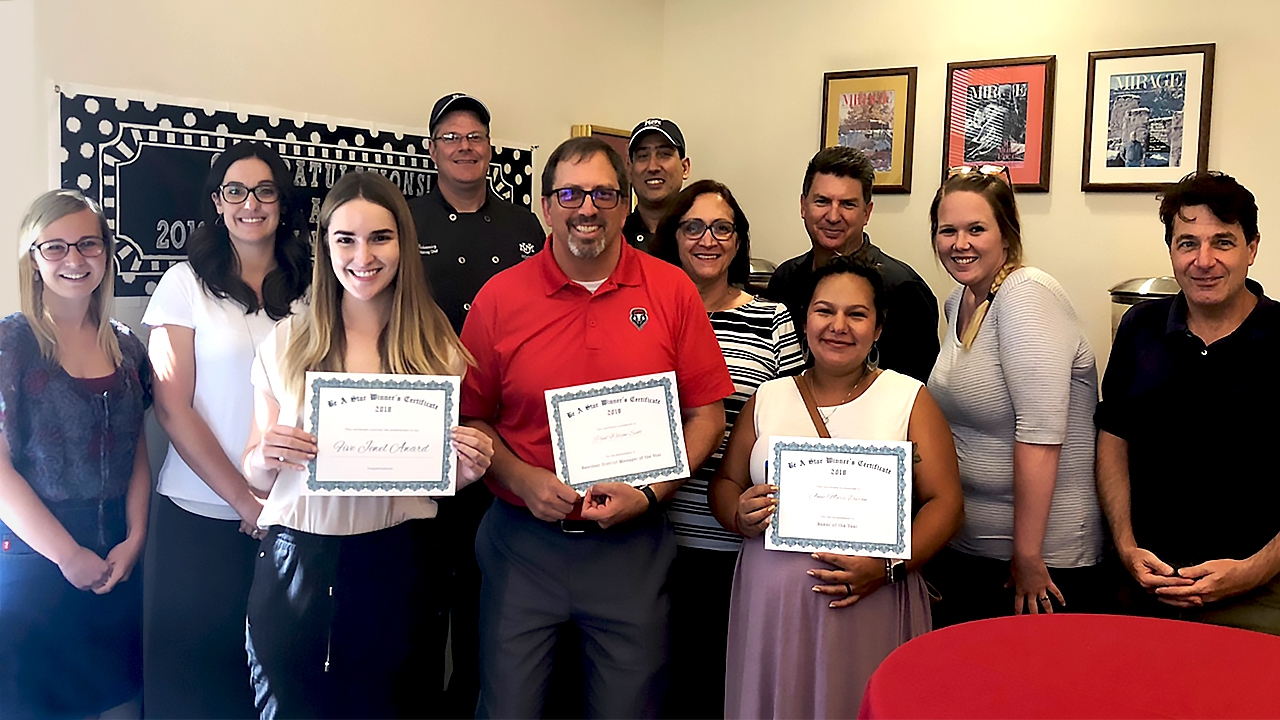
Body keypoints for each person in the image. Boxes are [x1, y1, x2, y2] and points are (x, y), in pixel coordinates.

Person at [461, 136, 733, 719]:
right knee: (509, 709)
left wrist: (651, 492)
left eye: (604, 194)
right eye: (570, 194)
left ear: (625, 204)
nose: (587, 208)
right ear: (545, 206)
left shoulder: (672, 291)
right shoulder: (499, 299)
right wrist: (522, 478)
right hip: (523, 544)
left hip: (632, 547)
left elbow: (707, 415)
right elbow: (471, 416)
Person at [240, 170, 494, 717]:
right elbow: (256, 476)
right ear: (325, 247)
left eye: (380, 237)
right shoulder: (287, 341)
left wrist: (464, 472)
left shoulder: (435, 346)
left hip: (399, 562)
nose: (363, 256)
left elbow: (433, 481)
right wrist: (265, 456)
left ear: (404, 243)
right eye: (346, 239)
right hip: (297, 558)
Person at [710, 257, 963, 717]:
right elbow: (727, 482)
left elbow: (945, 503)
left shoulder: (908, 398)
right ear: (804, 319)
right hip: (774, 610)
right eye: (824, 311)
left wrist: (886, 567)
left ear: (879, 328)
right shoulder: (768, 397)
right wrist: (737, 513)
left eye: (857, 314)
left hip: (871, 599)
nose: (838, 326)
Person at [142, 140, 310, 718]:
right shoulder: (183, 284)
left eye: (265, 191)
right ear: (217, 202)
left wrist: (268, 505)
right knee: (196, 685)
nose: (250, 204)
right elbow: (172, 407)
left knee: (274, 683)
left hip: (291, 516)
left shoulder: (314, 289)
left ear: (283, 203)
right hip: (200, 515)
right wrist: (244, 500)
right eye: (235, 191)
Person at [408, 92, 545, 717]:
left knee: (486, 587)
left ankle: (472, 700)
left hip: (501, 431)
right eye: (451, 136)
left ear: (490, 148)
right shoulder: (407, 221)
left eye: (475, 136)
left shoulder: (523, 225)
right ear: (433, 149)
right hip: (422, 428)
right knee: (421, 583)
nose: (465, 147)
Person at [923, 167, 1108, 626]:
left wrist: (1027, 555)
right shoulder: (959, 301)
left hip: (1042, 561)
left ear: (1006, 235)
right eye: (948, 230)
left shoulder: (1026, 295)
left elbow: (1040, 435)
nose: (960, 243)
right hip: (973, 547)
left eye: (976, 229)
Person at [1097, 171, 1280, 635]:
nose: (1204, 261)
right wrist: (1125, 546)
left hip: (1258, 599)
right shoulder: (1139, 328)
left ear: (1252, 248)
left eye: (1223, 242)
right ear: (1171, 251)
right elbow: (1114, 440)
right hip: (1144, 587)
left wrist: (1255, 569)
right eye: (1187, 243)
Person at [653, 179, 803, 718]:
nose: (708, 239)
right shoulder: (642, 314)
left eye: (722, 228)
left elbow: (795, 428)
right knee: (652, 687)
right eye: (693, 227)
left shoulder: (773, 319)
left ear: (739, 241)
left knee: (719, 686)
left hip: (733, 540)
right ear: (673, 236)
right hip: (646, 532)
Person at [0, 190, 152, 718]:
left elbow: (136, 449)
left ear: (106, 252)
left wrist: (136, 538)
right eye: (56, 247)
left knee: (117, 702)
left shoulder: (127, 346)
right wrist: (67, 555)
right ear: (33, 258)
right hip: (35, 558)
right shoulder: (10, 344)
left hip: (117, 556)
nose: (74, 259)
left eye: (88, 244)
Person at [763, 146, 939, 382]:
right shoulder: (785, 279)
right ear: (803, 206)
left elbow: (917, 390)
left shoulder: (903, 289)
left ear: (867, 213)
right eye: (822, 201)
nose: (833, 216)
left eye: (847, 204)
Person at [624, 118, 690, 254]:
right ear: (629, 170)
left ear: (685, 167)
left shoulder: (701, 237)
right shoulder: (614, 238)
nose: (652, 167)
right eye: (643, 156)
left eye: (664, 154)